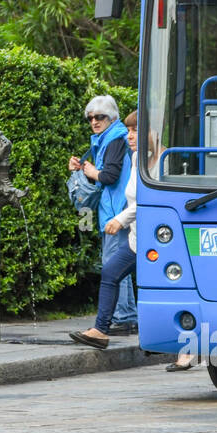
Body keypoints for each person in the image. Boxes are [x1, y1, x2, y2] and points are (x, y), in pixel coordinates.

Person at [68, 95, 136, 334]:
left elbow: (109, 176)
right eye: (90, 118)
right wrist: (86, 169)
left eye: (100, 117)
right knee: (118, 266)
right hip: (117, 211)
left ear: (112, 118)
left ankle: (123, 317)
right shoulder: (107, 139)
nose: (94, 122)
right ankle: (125, 315)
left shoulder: (115, 139)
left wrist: (91, 171)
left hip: (118, 214)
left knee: (113, 265)